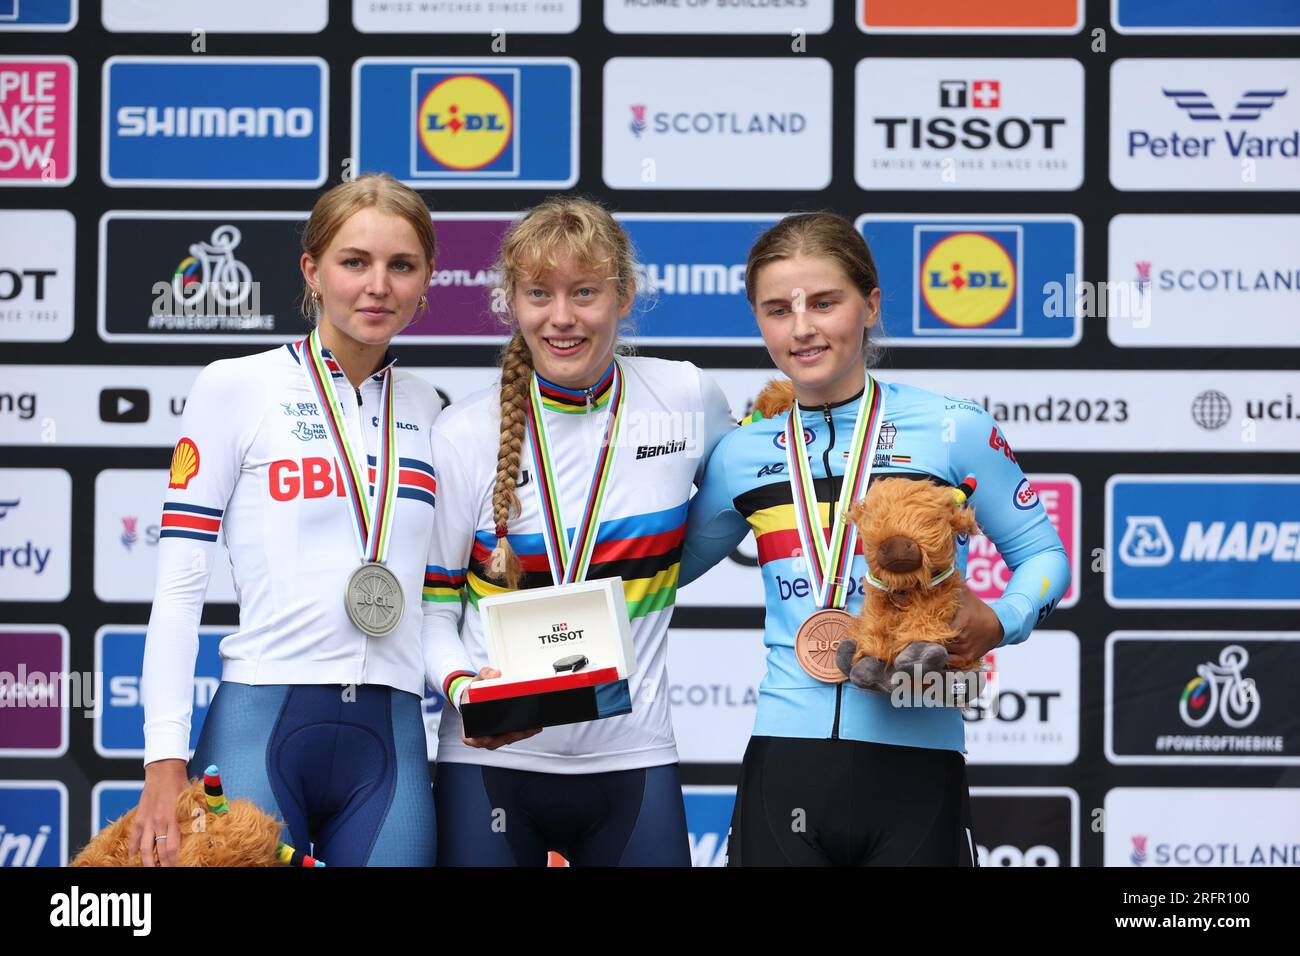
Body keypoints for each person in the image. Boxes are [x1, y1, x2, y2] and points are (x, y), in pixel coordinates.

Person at [679, 212, 1070, 866]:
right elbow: (661, 570)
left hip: (917, 763)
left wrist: (1002, 619)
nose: (802, 327)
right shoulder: (740, 453)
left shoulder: (953, 428)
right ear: (758, 319)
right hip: (786, 763)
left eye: (825, 303)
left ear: (871, 305)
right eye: (778, 309)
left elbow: (1045, 557)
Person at [133, 173, 444, 867]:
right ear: (312, 270)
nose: (378, 286)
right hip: (260, 722)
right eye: (354, 261)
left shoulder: (430, 407)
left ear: (426, 282)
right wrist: (162, 761)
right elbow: (181, 588)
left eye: (401, 266)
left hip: (392, 729)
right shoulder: (235, 386)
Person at [423, 197, 735, 866]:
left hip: (635, 755)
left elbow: (743, 505)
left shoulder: (684, 399)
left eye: (584, 292)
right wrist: (464, 690)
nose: (561, 318)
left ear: (623, 296)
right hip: (490, 763)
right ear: (512, 301)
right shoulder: (465, 434)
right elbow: (433, 607)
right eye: (539, 293)